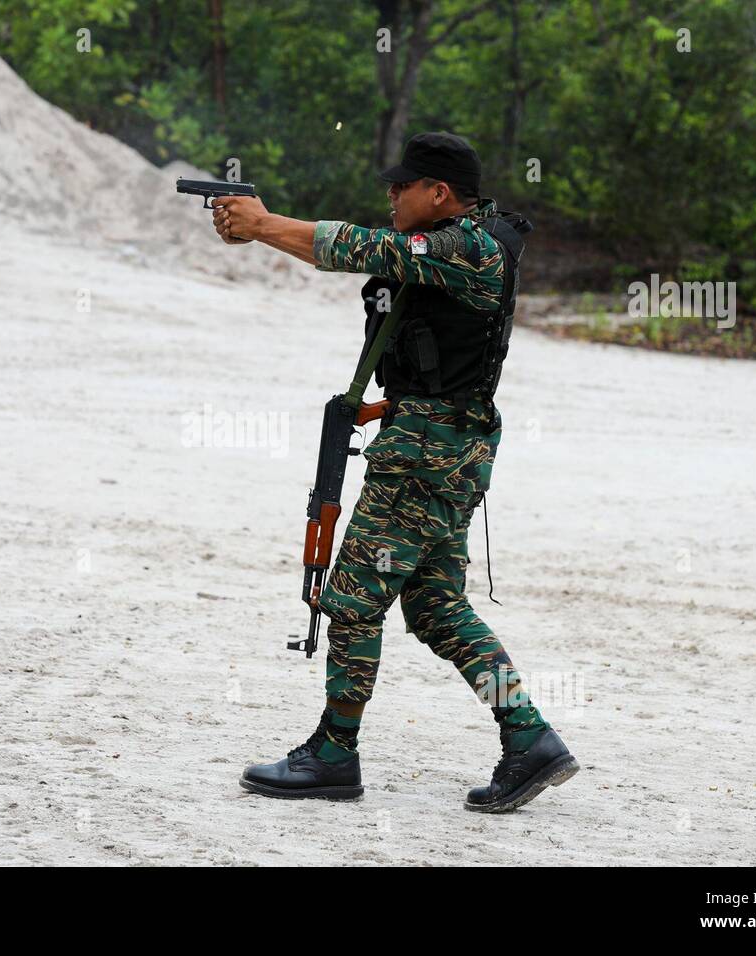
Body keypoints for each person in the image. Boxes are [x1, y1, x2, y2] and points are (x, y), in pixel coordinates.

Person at [212, 131, 578, 812]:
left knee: (352, 599)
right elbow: (367, 265)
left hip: (424, 457)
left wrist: (261, 223)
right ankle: (530, 737)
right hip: (443, 447)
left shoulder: (466, 247)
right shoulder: (462, 243)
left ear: (438, 194)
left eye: (401, 186)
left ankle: (333, 754)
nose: (390, 196)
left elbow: (362, 249)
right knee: (438, 608)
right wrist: (262, 232)